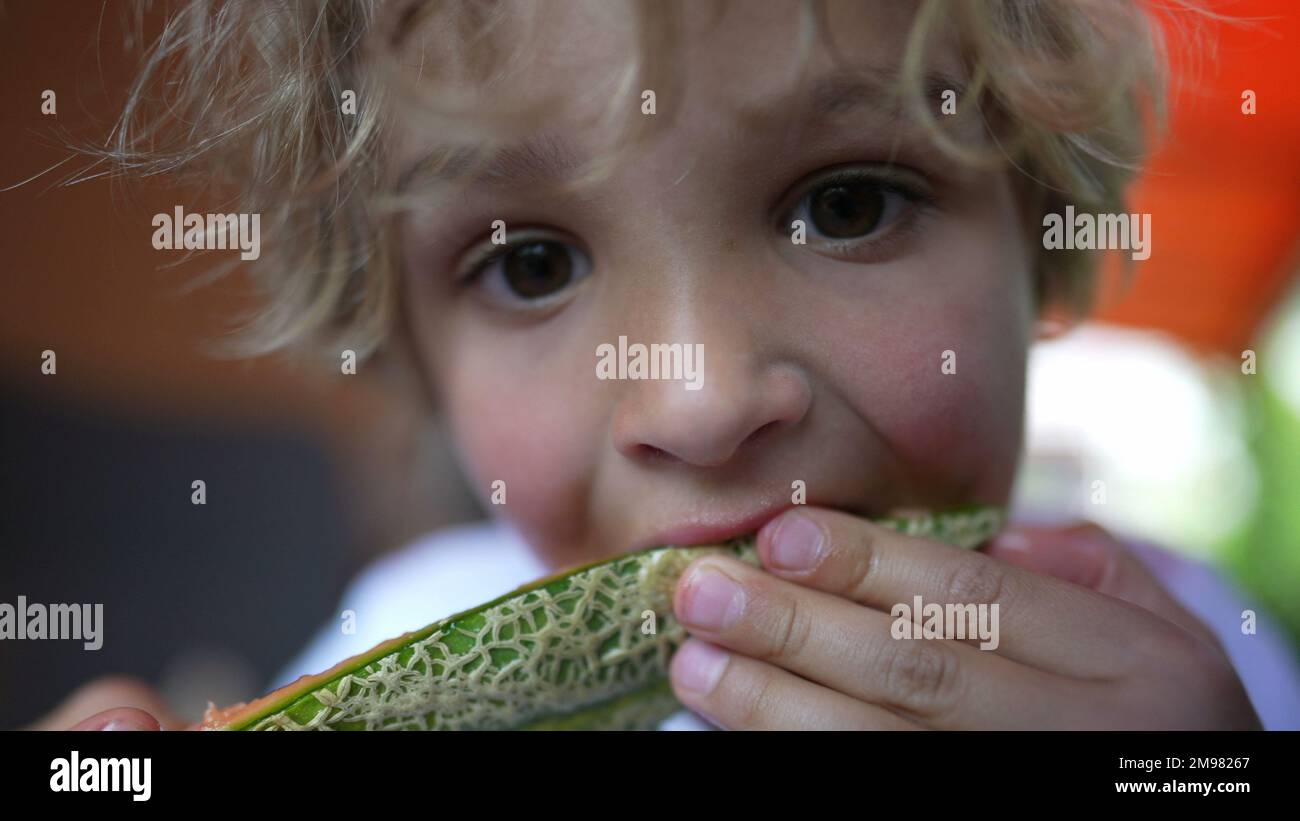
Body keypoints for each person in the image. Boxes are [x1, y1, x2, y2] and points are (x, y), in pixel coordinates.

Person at [33, 0, 1300, 731]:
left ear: (1041, 241)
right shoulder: (398, 622)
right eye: (530, 264)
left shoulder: (1181, 670)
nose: (700, 399)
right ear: (412, 359)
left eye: (850, 203)